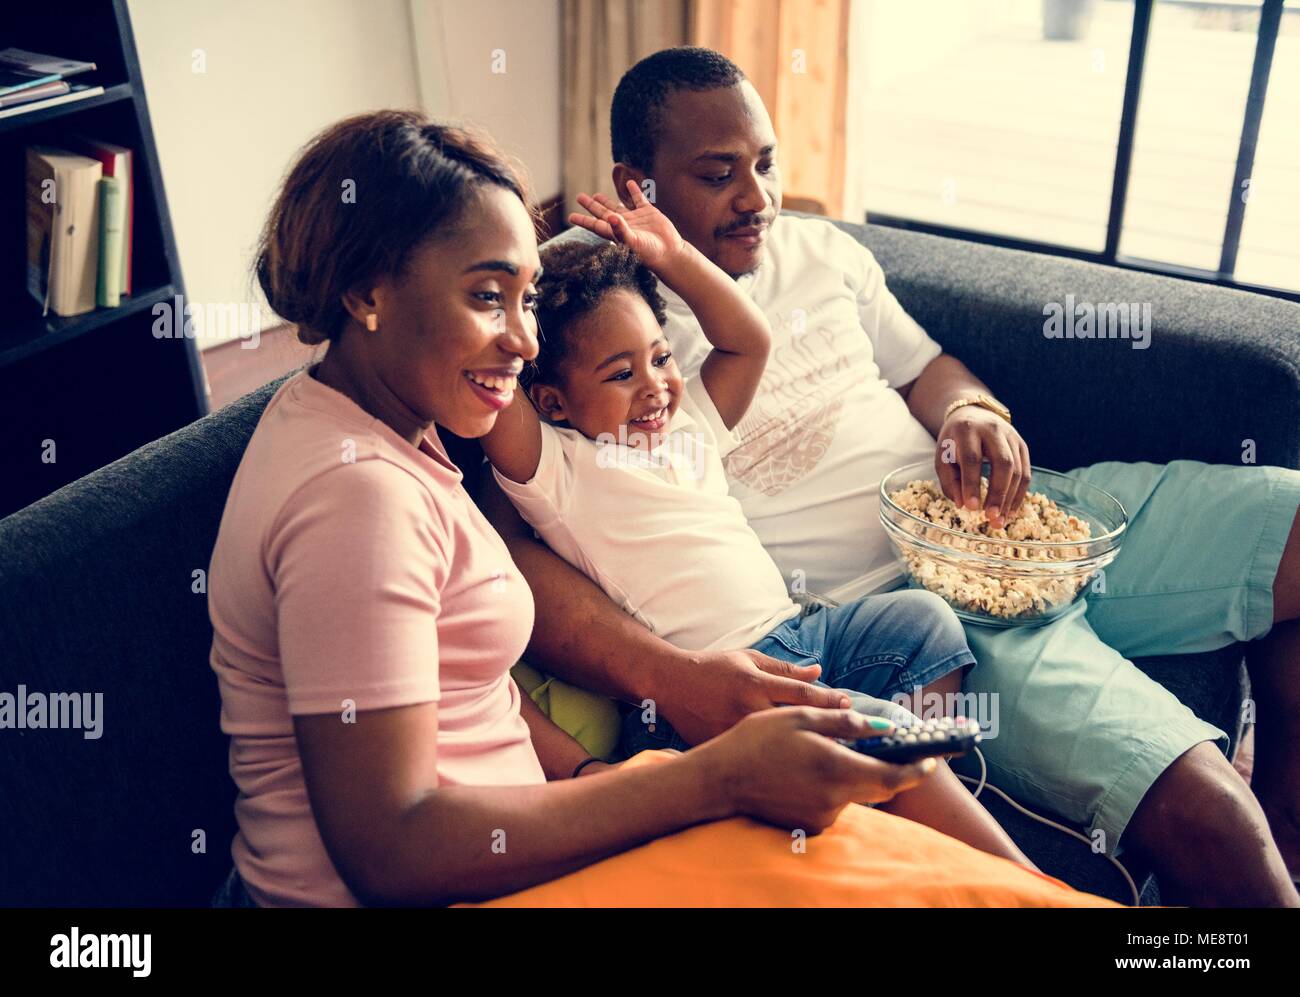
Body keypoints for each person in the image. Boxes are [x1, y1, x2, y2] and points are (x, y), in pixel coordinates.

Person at [204, 109, 1117, 908]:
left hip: (528, 832)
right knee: (910, 878)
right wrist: (705, 779)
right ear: (367, 293)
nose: (523, 339)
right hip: (457, 886)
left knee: (899, 832)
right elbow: (392, 849)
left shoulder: (386, 423)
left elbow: (452, 694)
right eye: (488, 296)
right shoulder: (356, 497)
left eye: (525, 298)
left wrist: (595, 777)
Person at [477, 47, 1300, 907]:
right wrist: (671, 679)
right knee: (1214, 812)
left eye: (764, 164)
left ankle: (1289, 801)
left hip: (1016, 516)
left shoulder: (817, 251)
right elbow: (515, 532)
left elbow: (926, 367)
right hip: (900, 599)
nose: (756, 196)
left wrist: (969, 411)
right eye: (719, 175)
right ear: (636, 184)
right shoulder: (591, 327)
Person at [478, 181, 1030, 866]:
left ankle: (902, 799)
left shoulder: (692, 425)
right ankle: (1009, 870)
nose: (654, 386)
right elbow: (501, 393)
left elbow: (747, 337)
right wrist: (506, 292)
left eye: (660, 357)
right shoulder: (556, 469)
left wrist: (673, 254)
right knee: (874, 726)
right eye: (621, 375)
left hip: (799, 631)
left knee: (924, 620)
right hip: (704, 698)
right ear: (554, 401)